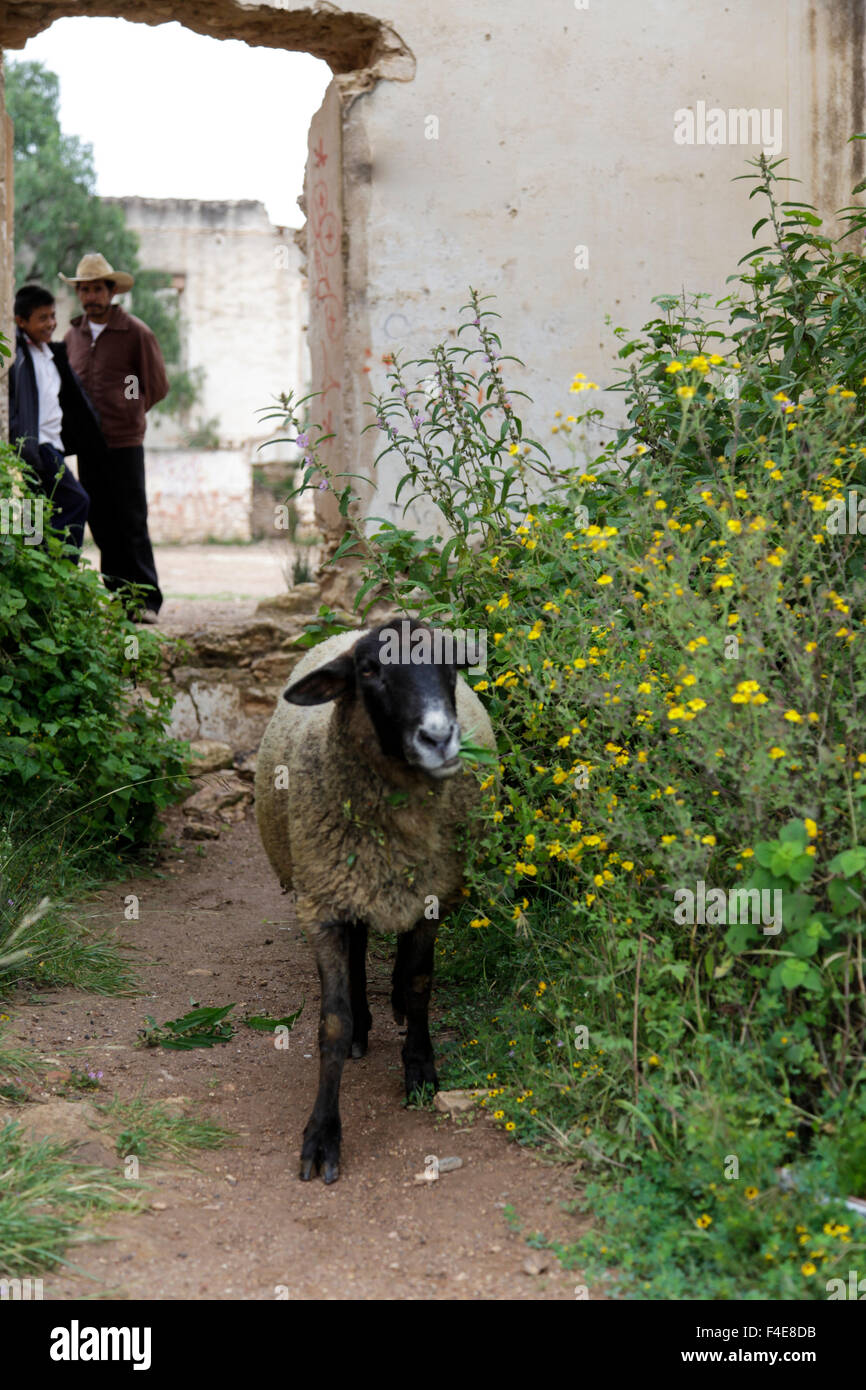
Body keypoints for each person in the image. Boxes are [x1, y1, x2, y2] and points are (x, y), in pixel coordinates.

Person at [62, 252, 169, 623]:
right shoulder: (72, 337)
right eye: (84, 290)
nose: (91, 297)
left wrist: (129, 414)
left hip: (125, 444)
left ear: (111, 291)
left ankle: (147, 600)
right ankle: (120, 597)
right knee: (101, 521)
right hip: (89, 446)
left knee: (131, 519)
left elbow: (155, 385)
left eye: (97, 289)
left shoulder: (136, 333)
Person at [7, 283, 101, 559]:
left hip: (52, 446)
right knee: (71, 502)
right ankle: (55, 568)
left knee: (33, 515)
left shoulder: (51, 355)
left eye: (52, 316)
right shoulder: (18, 356)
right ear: (20, 322)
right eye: (42, 318)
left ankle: (49, 575)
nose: (51, 323)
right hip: (33, 447)